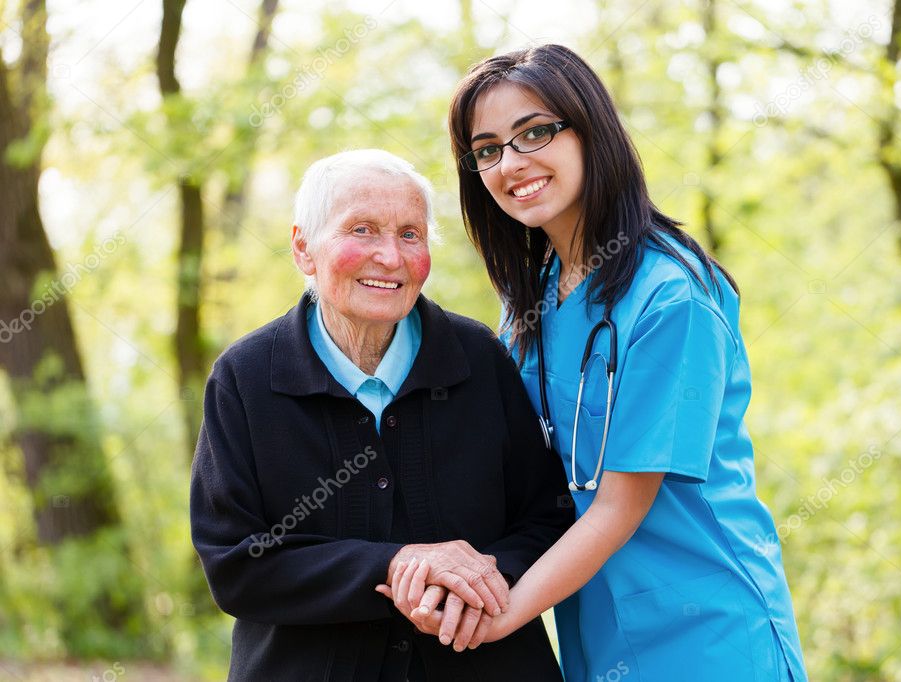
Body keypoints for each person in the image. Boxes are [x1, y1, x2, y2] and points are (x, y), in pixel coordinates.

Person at [383, 44, 809, 681]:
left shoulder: (671, 297)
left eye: (534, 133)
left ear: (592, 131)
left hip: (709, 633)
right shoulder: (533, 301)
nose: (511, 164)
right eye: (488, 148)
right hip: (597, 628)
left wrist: (496, 617)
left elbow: (619, 505)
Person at [189, 149, 573, 681]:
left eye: (411, 234)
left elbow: (548, 517)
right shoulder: (246, 377)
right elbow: (236, 564)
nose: (391, 257)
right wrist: (396, 566)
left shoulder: (480, 358)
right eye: (363, 230)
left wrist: (477, 582)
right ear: (304, 248)